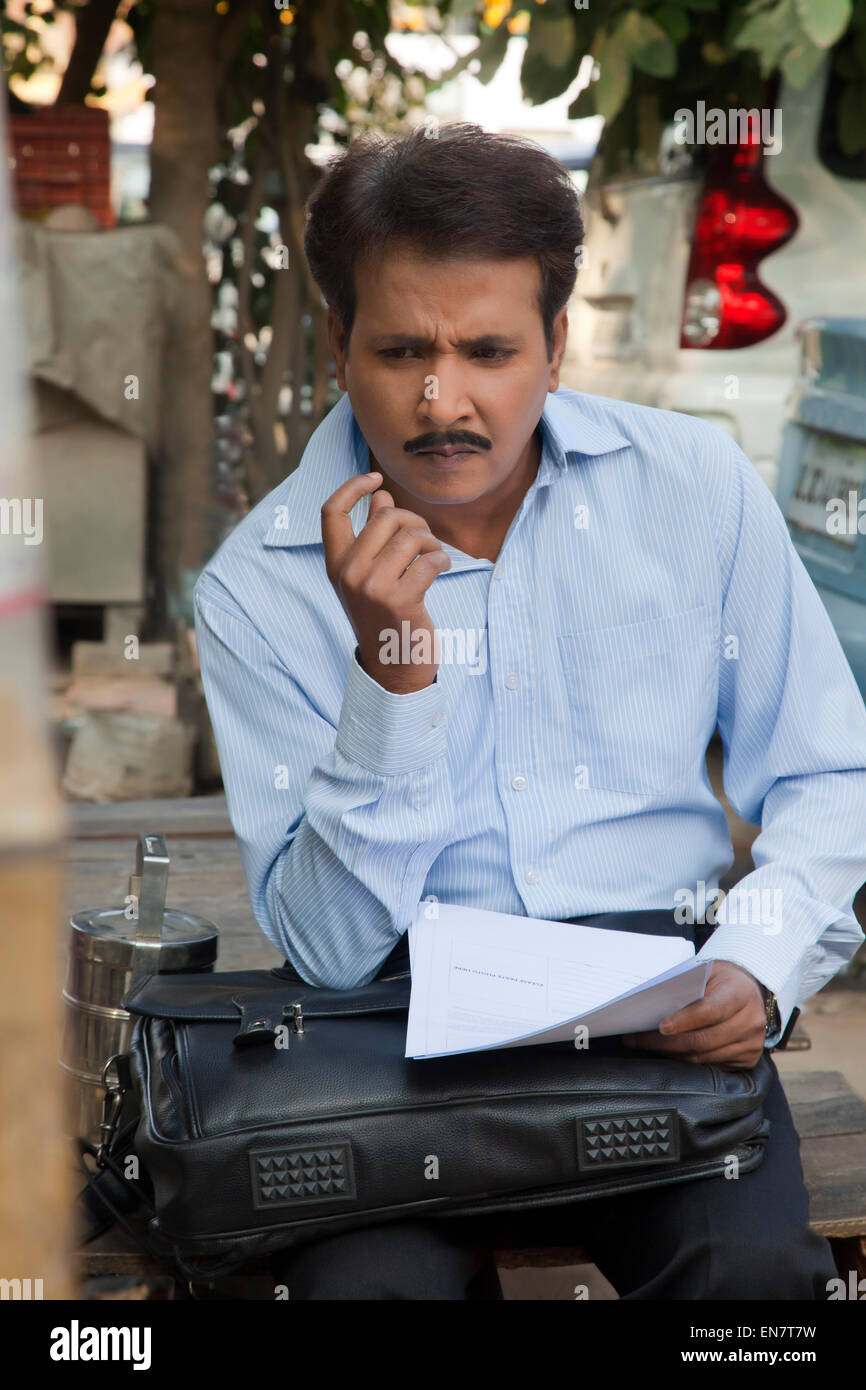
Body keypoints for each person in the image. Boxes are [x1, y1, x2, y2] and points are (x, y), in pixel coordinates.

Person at [193, 123, 866, 1299]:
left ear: (556, 347)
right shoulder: (257, 585)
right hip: (389, 1029)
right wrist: (394, 675)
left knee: (755, 1290)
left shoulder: (691, 486)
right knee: (372, 1299)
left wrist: (755, 965)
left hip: (660, 1001)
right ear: (340, 349)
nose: (442, 399)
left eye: (488, 350)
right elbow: (330, 950)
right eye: (401, 349)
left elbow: (827, 771)